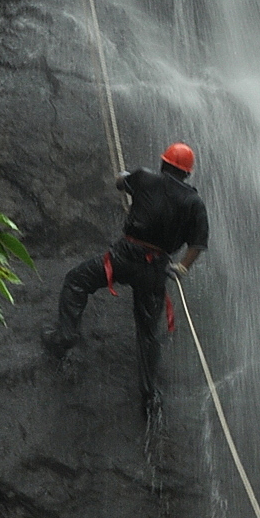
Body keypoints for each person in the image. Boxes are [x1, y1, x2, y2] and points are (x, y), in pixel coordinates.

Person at [42, 142, 209, 411]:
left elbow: (121, 182)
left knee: (77, 280)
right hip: (156, 269)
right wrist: (183, 267)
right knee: (147, 333)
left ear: (164, 164)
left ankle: (65, 336)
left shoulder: (144, 177)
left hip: (125, 256)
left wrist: (123, 174)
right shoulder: (194, 202)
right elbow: (198, 244)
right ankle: (149, 395)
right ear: (187, 174)